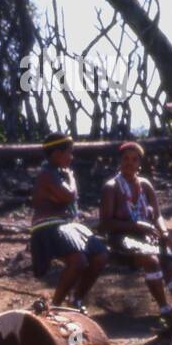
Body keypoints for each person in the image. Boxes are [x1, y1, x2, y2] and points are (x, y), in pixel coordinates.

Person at [99, 142, 172, 323]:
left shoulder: (145, 185)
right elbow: (106, 224)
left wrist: (164, 232)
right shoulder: (111, 187)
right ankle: (165, 310)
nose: (129, 163)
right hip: (122, 237)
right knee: (151, 260)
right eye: (125, 159)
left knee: (168, 261)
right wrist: (137, 226)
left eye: (134, 159)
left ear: (139, 164)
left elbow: (157, 215)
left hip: (147, 235)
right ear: (119, 161)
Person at [29, 133, 108, 311]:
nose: (71, 157)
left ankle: (76, 299)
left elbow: (64, 199)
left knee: (101, 255)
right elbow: (68, 195)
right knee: (78, 261)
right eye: (69, 153)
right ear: (56, 153)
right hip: (48, 226)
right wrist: (71, 178)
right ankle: (56, 305)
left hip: (65, 223)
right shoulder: (47, 174)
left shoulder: (56, 173)